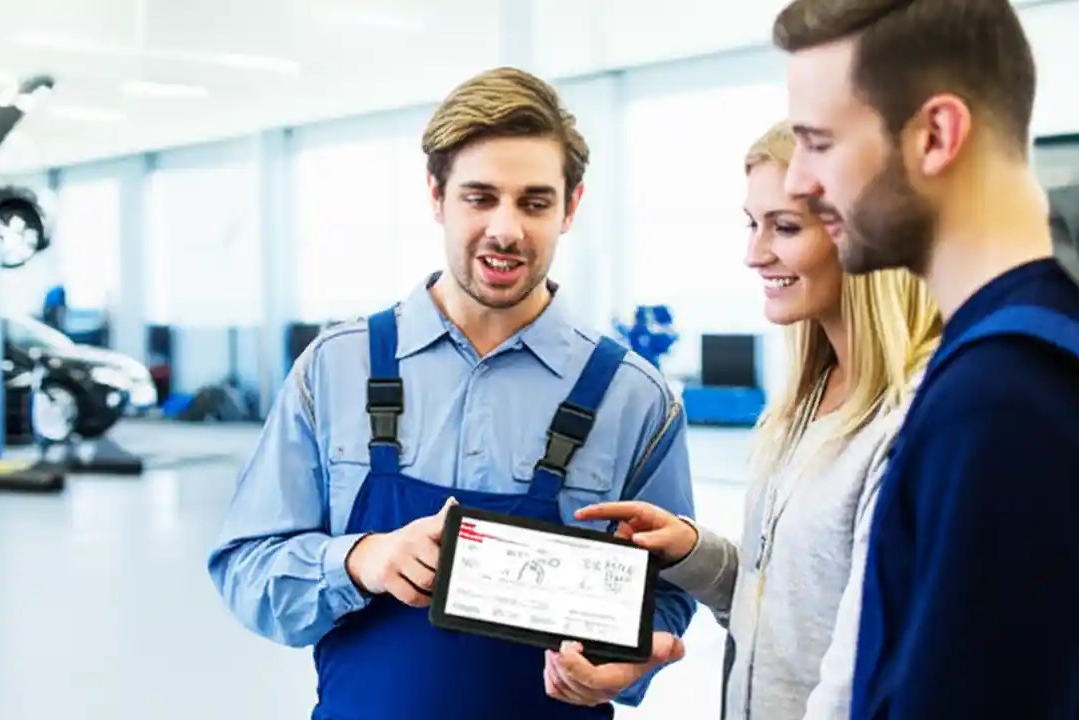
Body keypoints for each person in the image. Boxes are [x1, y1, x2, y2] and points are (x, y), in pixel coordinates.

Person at [207, 66, 697, 720]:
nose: (506, 230)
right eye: (480, 197)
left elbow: (666, 592)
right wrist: (360, 559)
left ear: (571, 207)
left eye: (534, 202)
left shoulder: (634, 398)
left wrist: (624, 665)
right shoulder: (336, 368)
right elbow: (247, 569)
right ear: (436, 196)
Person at [771, 1, 1079, 717]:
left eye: (819, 144)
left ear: (936, 136)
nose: (798, 183)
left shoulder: (1002, 400)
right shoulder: (1008, 355)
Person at [575, 121, 941, 719]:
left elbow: (866, 669)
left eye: (785, 227)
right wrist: (694, 554)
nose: (754, 254)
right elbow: (791, 616)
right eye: (752, 223)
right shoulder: (809, 401)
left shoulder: (916, 424)